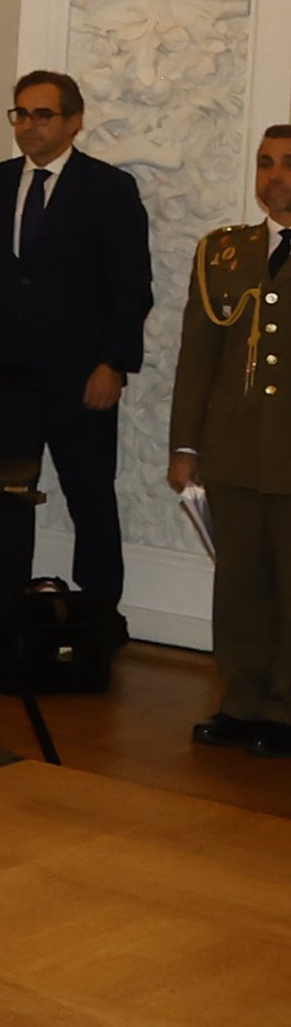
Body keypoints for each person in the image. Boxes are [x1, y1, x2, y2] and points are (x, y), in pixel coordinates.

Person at [0, 71, 152, 615]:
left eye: (42, 114)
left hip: (79, 375)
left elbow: (131, 287)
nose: (28, 125)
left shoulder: (109, 189)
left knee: (90, 496)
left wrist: (114, 363)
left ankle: (97, 615)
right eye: (20, 113)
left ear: (73, 121)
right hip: (2, 378)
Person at [169, 125, 291, 754]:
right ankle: (242, 701)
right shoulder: (223, 252)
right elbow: (198, 356)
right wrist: (185, 445)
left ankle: (286, 711)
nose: (275, 176)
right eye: (265, 163)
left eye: (289, 164)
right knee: (240, 583)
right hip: (235, 451)